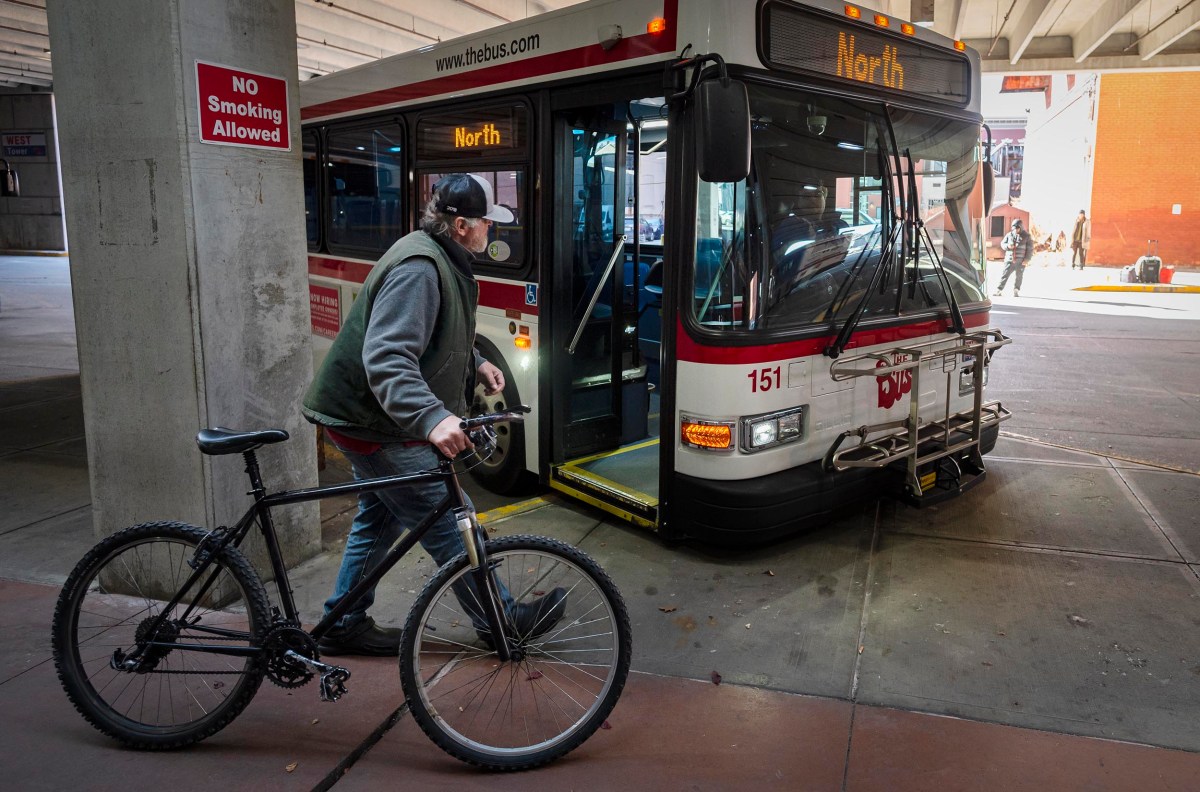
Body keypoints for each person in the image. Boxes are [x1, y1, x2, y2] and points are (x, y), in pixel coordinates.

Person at [302, 173, 565, 656]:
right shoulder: (420, 269)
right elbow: (387, 358)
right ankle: (502, 621)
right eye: (488, 221)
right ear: (462, 224)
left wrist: (477, 363)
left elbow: (433, 338)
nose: (493, 229)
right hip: (374, 422)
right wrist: (430, 416)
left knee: (379, 518)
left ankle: (343, 621)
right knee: (449, 519)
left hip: (367, 417)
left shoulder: (439, 255)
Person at [994, 218, 1033, 297]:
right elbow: (1002, 244)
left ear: (1021, 227)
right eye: (1014, 228)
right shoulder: (1009, 235)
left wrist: (1027, 260)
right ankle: (999, 290)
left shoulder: (1027, 236)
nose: (1016, 230)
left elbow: (1030, 249)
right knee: (1005, 275)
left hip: (1021, 261)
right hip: (1009, 260)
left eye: (1017, 228)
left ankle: (1016, 290)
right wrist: (1008, 246)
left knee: (1019, 276)